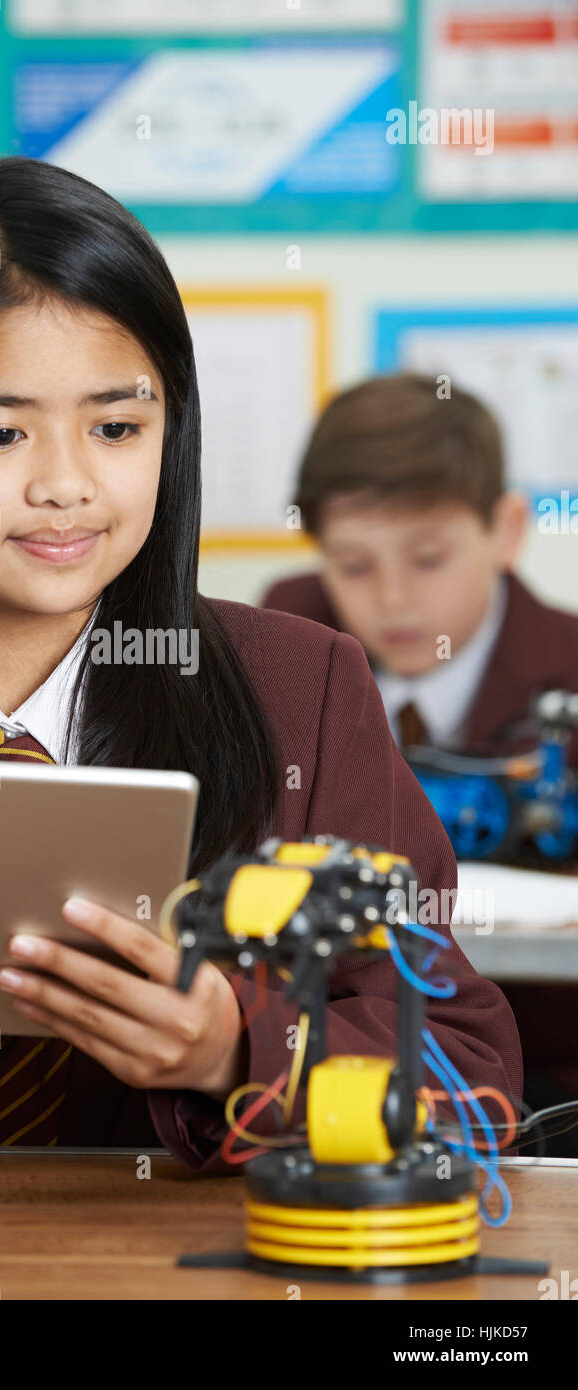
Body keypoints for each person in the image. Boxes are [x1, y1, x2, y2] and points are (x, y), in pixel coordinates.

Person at [0, 162, 520, 1173]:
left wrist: (238, 1050)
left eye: (118, 428)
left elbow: (465, 1078)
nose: (65, 485)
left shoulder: (303, 687)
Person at [261, 372, 578, 1153]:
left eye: (428, 558)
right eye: (354, 565)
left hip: (556, 1090)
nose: (393, 600)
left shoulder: (569, 666)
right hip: (332, 1084)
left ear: (506, 529)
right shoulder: (274, 646)